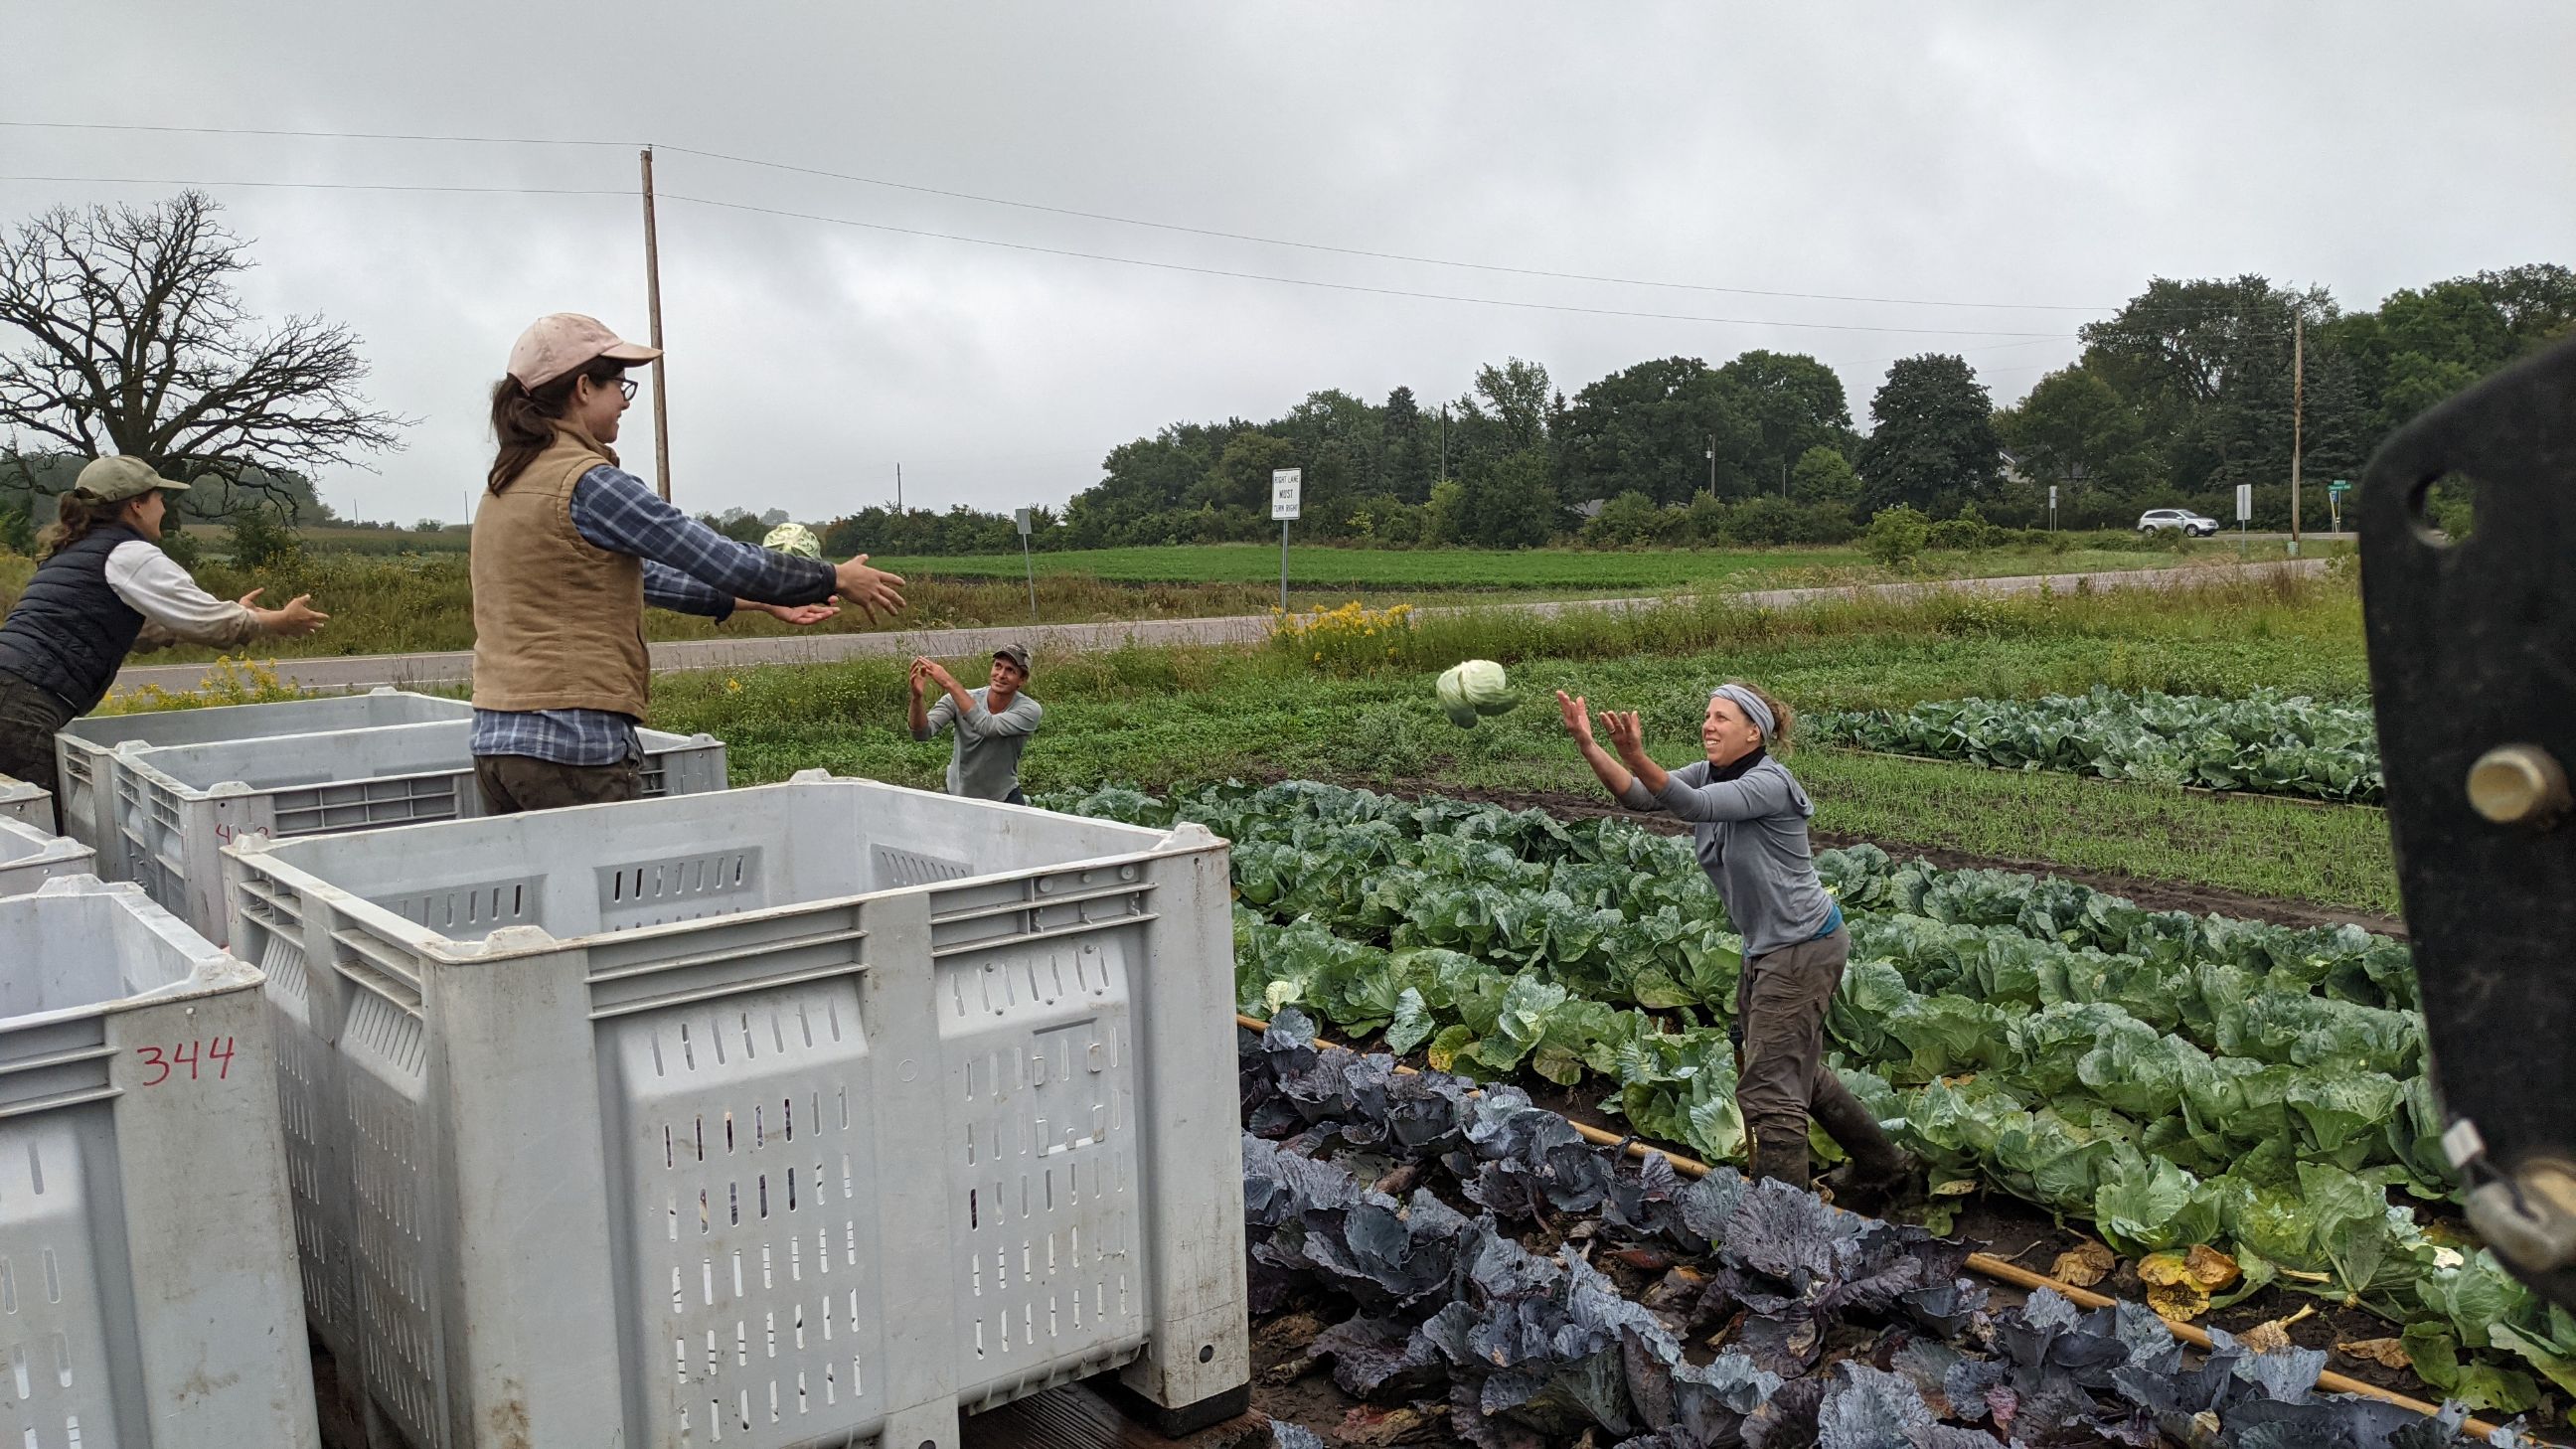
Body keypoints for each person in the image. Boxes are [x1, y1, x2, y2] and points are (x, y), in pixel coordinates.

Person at [470, 313, 906, 813]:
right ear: (585, 387)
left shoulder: (506, 485)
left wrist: (762, 603)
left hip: (498, 745)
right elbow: (720, 558)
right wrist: (832, 577)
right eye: (621, 387)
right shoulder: (590, 483)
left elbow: (642, 578)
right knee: (608, 889)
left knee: (535, 889)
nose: (625, 403)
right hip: (573, 747)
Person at [1557, 679, 1917, 1213]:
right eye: (1708, 715)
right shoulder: (1710, 771)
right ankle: (1887, 1171)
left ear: (1754, 732)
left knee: (1770, 1090)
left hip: (1803, 947)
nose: (1708, 725)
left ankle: (1785, 1227)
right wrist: (1590, 745)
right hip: (1769, 948)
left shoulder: (1769, 784)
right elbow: (1638, 795)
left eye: (1721, 718)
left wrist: (1636, 751)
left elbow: (1690, 806)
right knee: (1795, 1071)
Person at [0, 456, 328, 830]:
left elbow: (141, 629)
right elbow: (206, 622)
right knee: (38, 832)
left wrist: (241, 616)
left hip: (11, 689)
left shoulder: (75, 552)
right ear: (136, 505)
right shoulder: (129, 554)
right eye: (158, 497)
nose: (164, 506)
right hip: (22, 701)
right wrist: (277, 621)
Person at [909, 643, 1043, 804]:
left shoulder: (1029, 710)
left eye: (1010, 670)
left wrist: (949, 683)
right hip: (958, 795)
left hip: (1002, 797)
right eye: (998, 666)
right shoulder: (957, 699)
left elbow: (986, 726)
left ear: (1021, 680)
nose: (1001, 675)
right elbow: (922, 733)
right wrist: (916, 699)